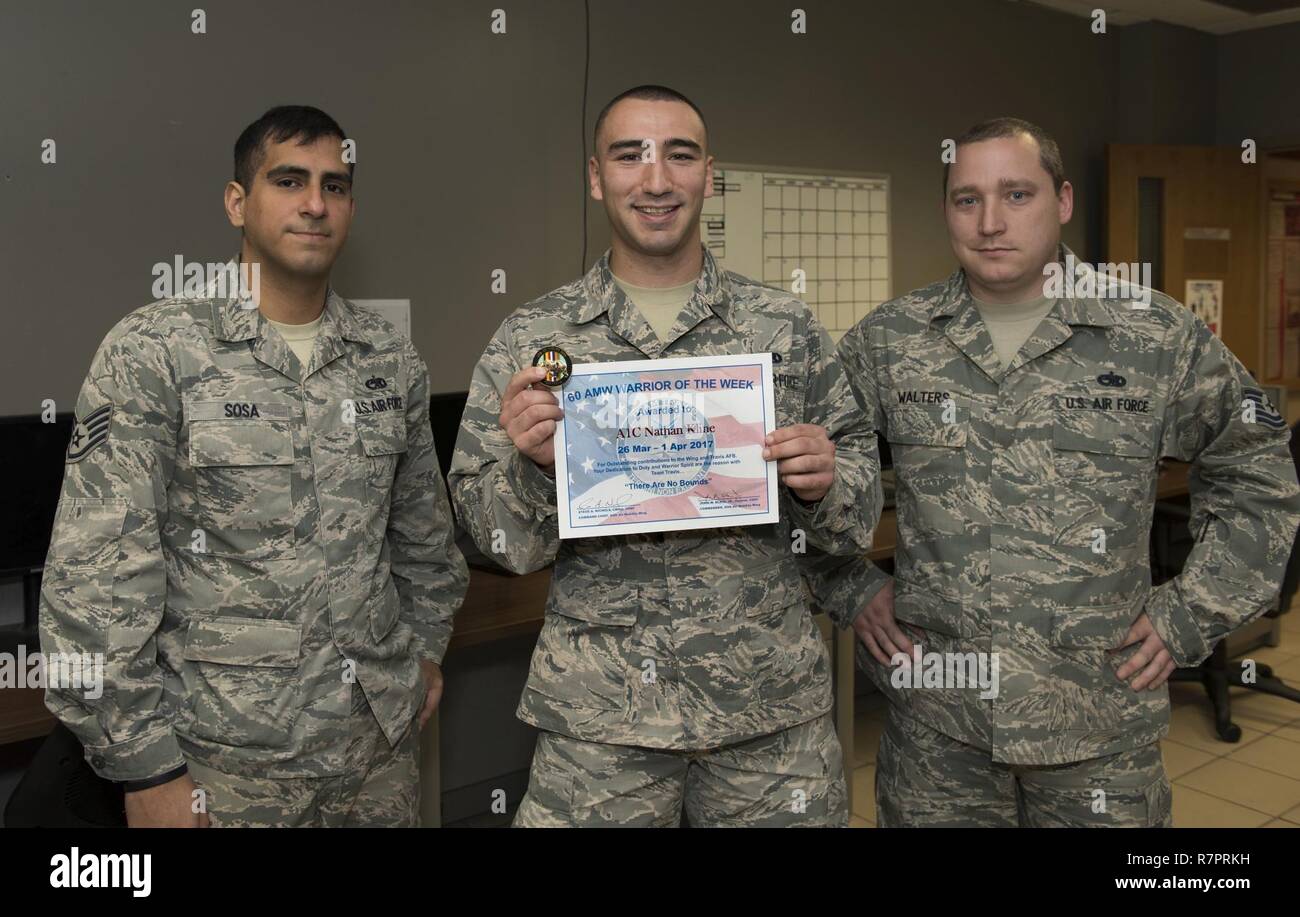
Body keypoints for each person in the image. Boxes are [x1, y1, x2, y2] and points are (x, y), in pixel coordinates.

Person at [837, 116, 1300, 827]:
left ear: (1064, 201)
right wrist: (850, 582)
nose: (991, 221)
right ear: (947, 210)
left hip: (1098, 727)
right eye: (967, 199)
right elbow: (806, 472)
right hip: (938, 730)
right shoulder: (888, 341)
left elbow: (1260, 474)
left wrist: (1188, 614)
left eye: (1017, 195)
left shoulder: (1155, 335)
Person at [449, 85, 882, 827]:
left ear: (708, 175)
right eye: (630, 156)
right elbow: (497, 543)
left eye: (679, 155)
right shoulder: (534, 336)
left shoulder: (785, 327)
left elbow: (858, 507)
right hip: (600, 722)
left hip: (767, 713)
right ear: (595, 176)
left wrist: (825, 481)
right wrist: (532, 470)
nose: (655, 180)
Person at [39, 105, 468, 827]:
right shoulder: (157, 351)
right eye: (290, 180)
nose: (314, 204)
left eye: (335, 186)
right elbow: (95, 587)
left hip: (374, 762)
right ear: (238, 201)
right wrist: (145, 769)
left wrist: (420, 653)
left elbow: (425, 541)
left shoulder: (387, 359)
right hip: (222, 770)